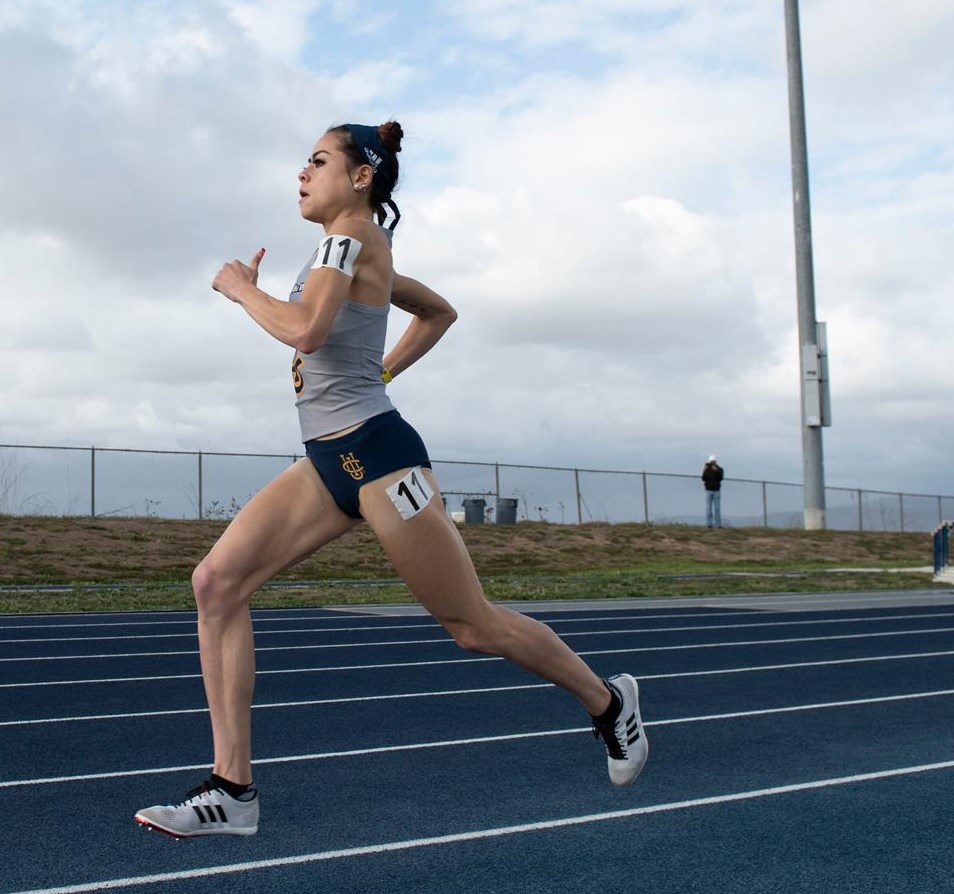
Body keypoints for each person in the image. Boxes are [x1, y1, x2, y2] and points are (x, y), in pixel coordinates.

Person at [134, 121, 648, 839]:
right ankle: (231, 790)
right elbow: (437, 312)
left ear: (361, 176)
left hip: (380, 459)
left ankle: (606, 703)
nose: (301, 174)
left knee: (470, 626)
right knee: (216, 584)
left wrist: (240, 290)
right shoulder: (347, 253)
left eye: (317, 161)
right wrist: (378, 368)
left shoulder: (349, 239)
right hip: (327, 460)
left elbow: (307, 331)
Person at [702, 455, 724, 528]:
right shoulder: (707, 469)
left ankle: (718, 524)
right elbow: (703, 478)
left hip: (716, 490)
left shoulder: (720, 469)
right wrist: (704, 470)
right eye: (711, 462)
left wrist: (716, 471)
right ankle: (709, 524)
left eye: (713, 461)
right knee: (708, 508)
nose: (712, 463)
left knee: (717, 508)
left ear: (716, 461)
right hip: (708, 490)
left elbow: (720, 478)